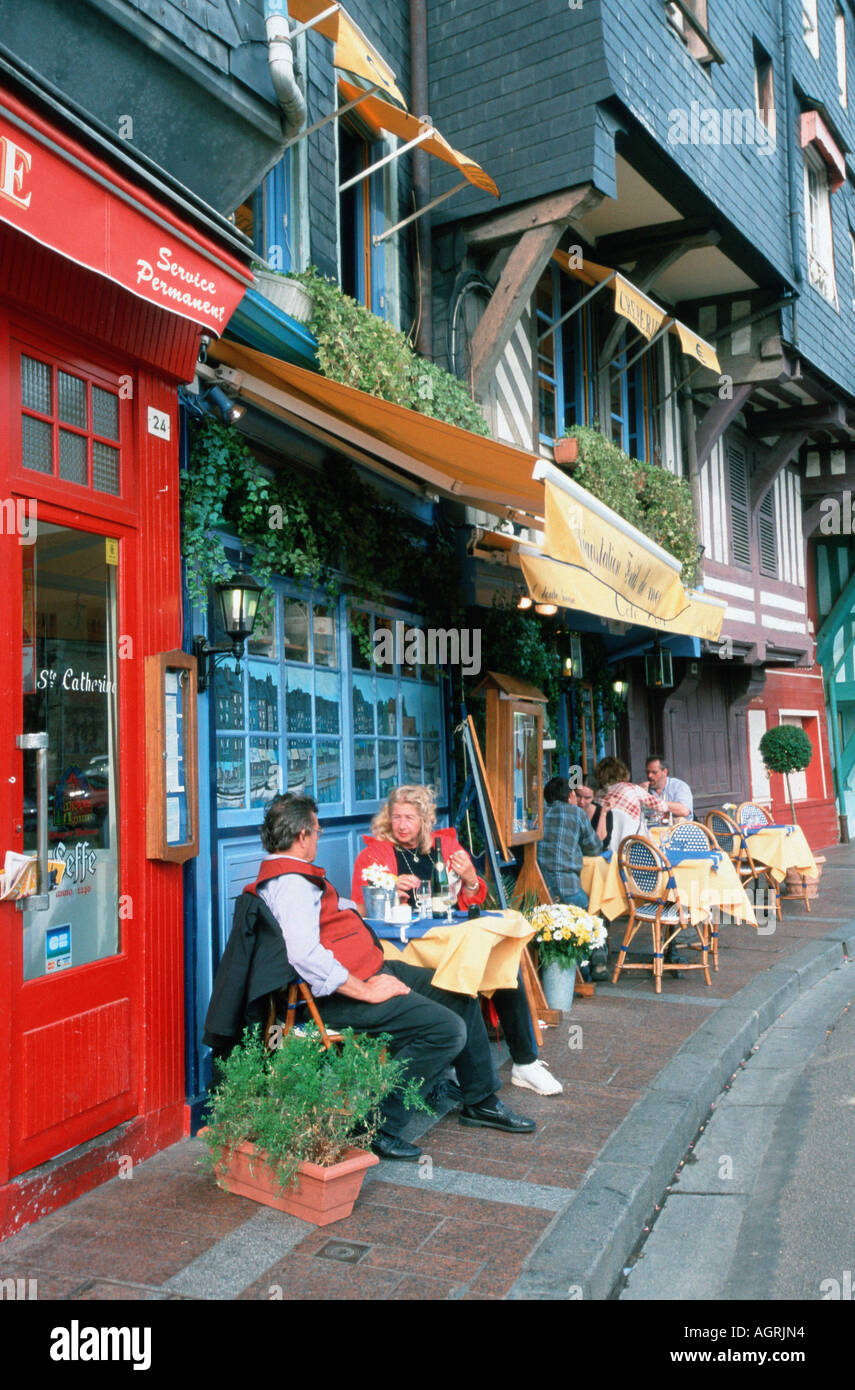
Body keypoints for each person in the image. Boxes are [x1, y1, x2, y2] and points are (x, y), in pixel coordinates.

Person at [250, 793, 536, 1162]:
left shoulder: (292, 876)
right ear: (303, 835)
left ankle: (479, 1100)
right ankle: (376, 1125)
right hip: (342, 994)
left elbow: (339, 915)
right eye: (318, 831)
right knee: (446, 1030)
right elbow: (304, 956)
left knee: (458, 992)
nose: (319, 838)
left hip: (371, 968)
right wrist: (366, 990)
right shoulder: (289, 884)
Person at [351, 785, 564, 1097]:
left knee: (503, 959)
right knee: (469, 973)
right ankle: (464, 1067)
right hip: (408, 949)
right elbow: (360, 908)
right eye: (396, 817)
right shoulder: (375, 854)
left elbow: (475, 896)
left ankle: (525, 1063)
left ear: (425, 820)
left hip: (450, 937)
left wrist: (469, 877)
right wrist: (389, 889)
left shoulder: (445, 845)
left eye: (409, 817)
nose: (401, 824)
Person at [540, 777, 609, 982]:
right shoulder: (576, 813)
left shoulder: (537, 815)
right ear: (570, 795)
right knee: (593, 913)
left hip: (541, 887)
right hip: (567, 886)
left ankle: (581, 965)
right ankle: (595, 962)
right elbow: (594, 846)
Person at [593, 757, 664, 849]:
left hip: (607, 848)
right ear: (622, 772)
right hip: (633, 848)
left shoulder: (596, 796)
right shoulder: (631, 788)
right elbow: (662, 806)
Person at [644, 755, 694, 820]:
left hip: (678, 829)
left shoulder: (679, 786)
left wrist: (656, 802)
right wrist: (638, 793)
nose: (649, 775)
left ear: (665, 772)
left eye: (654, 772)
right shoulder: (644, 790)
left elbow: (684, 811)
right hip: (653, 829)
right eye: (647, 772)